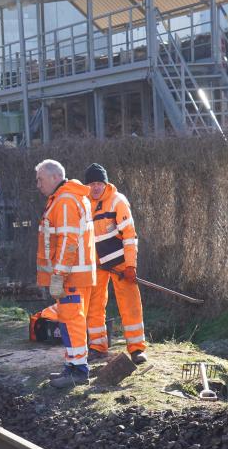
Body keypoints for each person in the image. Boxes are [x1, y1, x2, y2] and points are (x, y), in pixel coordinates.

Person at [34, 159, 96, 388]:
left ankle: (79, 370)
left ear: (53, 177)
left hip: (70, 276)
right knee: (69, 321)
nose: (37, 184)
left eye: (40, 179)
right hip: (75, 274)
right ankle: (72, 365)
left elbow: (68, 242)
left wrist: (59, 274)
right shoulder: (66, 198)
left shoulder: (65, 200)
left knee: (72, 321)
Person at [82, 163, 147, 365]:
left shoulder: (118, 202)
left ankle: (136, 349)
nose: (95, 187)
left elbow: (129, 236)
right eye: (92, 184)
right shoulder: (83, 204)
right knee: (94, 305)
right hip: (97, 265)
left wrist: (130, 267)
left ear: (105, 183)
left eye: (99, 183)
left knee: (130, 304)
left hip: (120, 263)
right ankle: (97, 347)